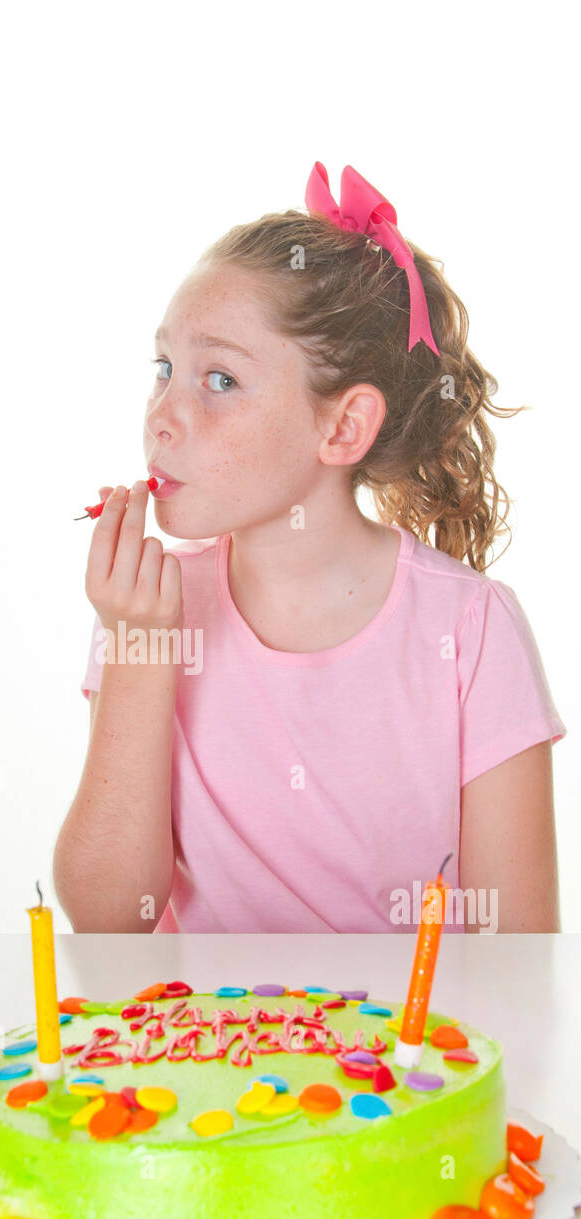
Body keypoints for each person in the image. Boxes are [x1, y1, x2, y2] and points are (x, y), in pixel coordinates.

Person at [53, 163, 566, 934]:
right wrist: (135, 647)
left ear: (342, 427)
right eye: (163, 369)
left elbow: (519, 959)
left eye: (218, 379)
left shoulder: (470, 629)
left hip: (402, 1057)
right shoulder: (151, 613)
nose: (162, 413)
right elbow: (109, 918)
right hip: (199, 1054)